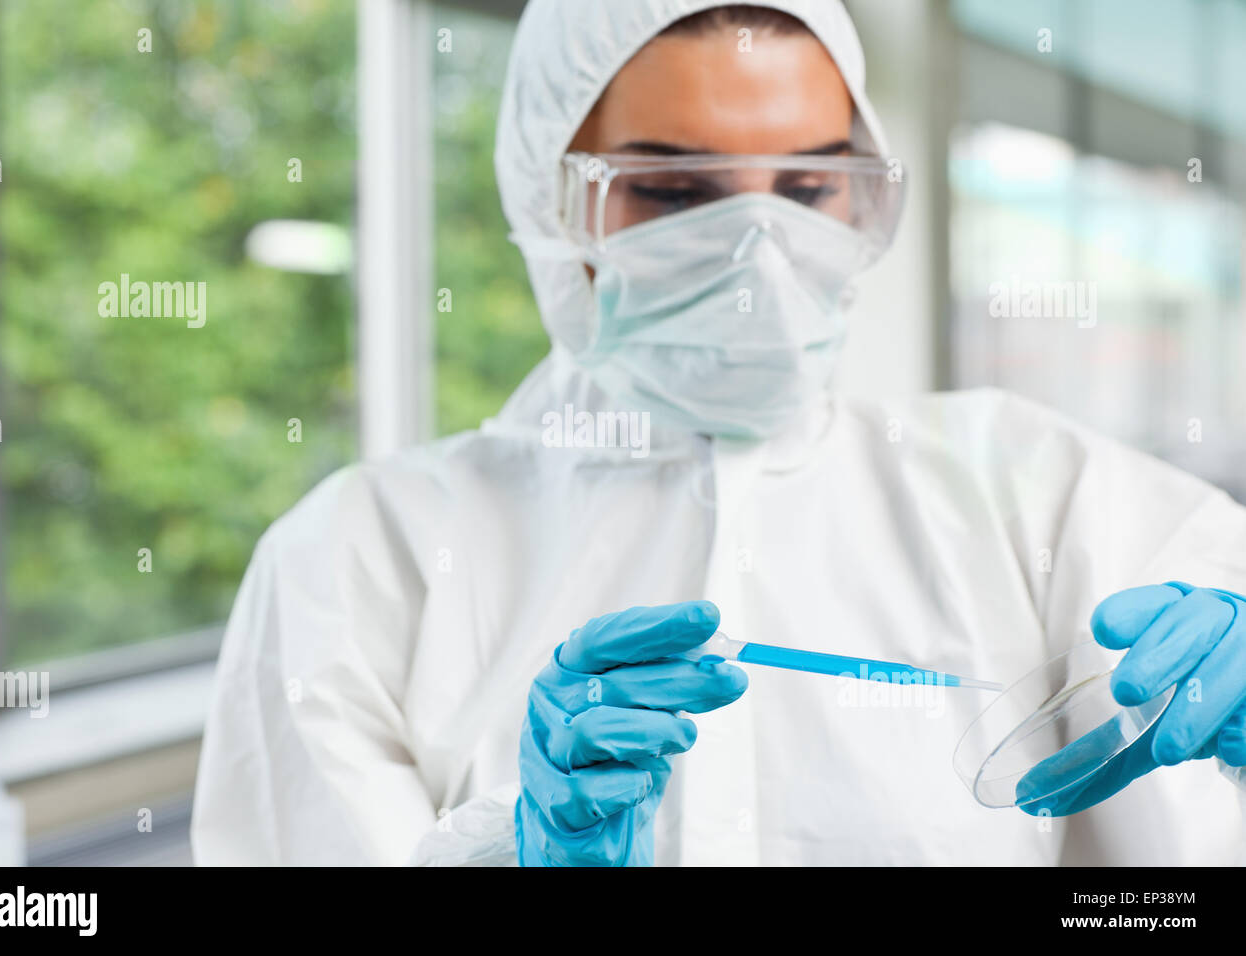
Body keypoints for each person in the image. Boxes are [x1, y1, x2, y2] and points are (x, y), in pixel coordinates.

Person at [191, 0, 1246, 866]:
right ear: (550, 202)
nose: (761, 253)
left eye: (807, 187)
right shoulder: (353, 561)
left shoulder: (1037, 489)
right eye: (673, 189)